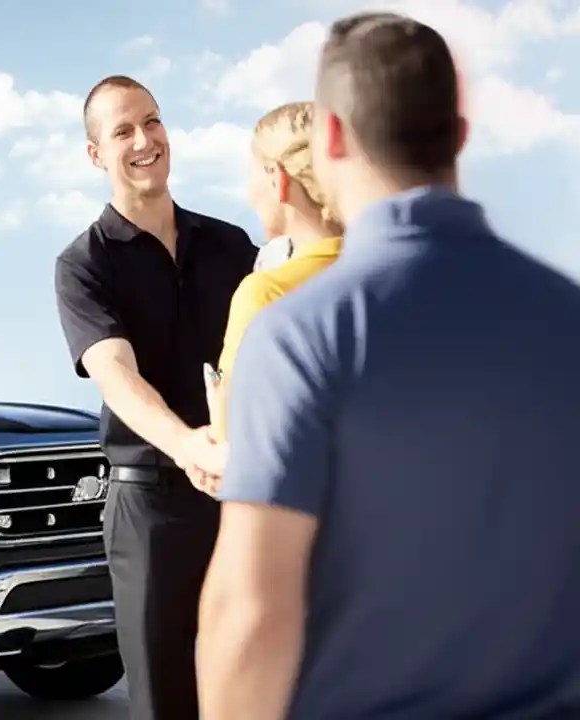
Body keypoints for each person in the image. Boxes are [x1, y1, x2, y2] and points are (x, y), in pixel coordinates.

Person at [195, 11, 580, 720]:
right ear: (460, 133)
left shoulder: (303, 334)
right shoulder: (567, 315)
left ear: (333, 135)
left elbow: (248, 617)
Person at [53, 74, 257, 720]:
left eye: (153, 121)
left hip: (243, 498)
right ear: (95, 155)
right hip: (150, 508)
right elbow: (117, 375)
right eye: (122, 131)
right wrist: (189, 446)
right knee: (166, 701)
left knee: (255, 688)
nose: (145, 140)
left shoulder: (231, 246)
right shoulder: (84, 263)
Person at [196, 101, 344, 496]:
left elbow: (238, 460)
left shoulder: (265, 294)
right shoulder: (403, 275)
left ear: (279, 181)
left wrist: (206, 453)